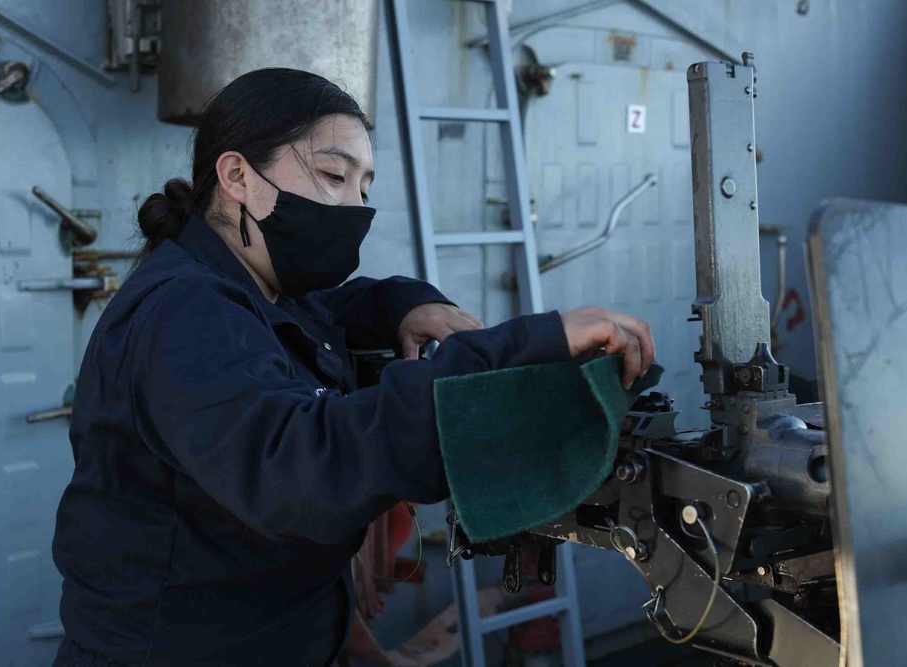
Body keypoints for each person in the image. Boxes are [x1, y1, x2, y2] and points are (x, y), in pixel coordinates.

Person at [51, 68, 654, 667]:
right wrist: (524, 347)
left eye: (364, 187)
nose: (353, 206)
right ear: (236, 176)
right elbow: (301, 465)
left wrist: (411, 305)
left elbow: (336, 310)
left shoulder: (263, 288)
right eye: (334, 176)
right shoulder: (184, 313)